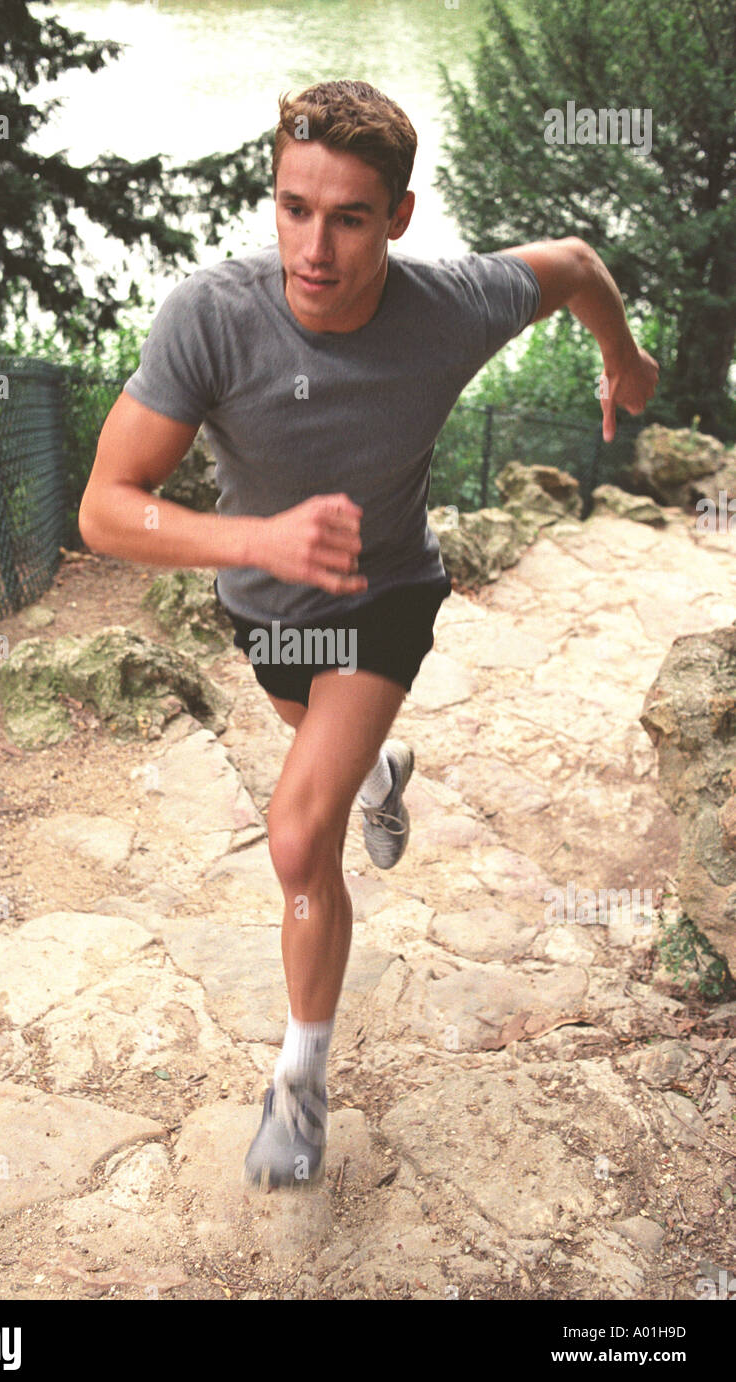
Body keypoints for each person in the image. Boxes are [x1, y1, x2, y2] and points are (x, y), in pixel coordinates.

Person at [78, 79, 659, 1191]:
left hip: (385, 596)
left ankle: (298, 1084)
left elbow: (577, 263)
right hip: (267, 615)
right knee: (330, 767)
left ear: (395, 216)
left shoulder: (449, 304)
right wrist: (256, 541)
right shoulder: (210, 315)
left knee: (300, 836)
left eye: (348, 216)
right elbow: (107, 504)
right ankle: (382, 767)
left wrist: (619, 359)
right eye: (293, 208)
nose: (313, 245)